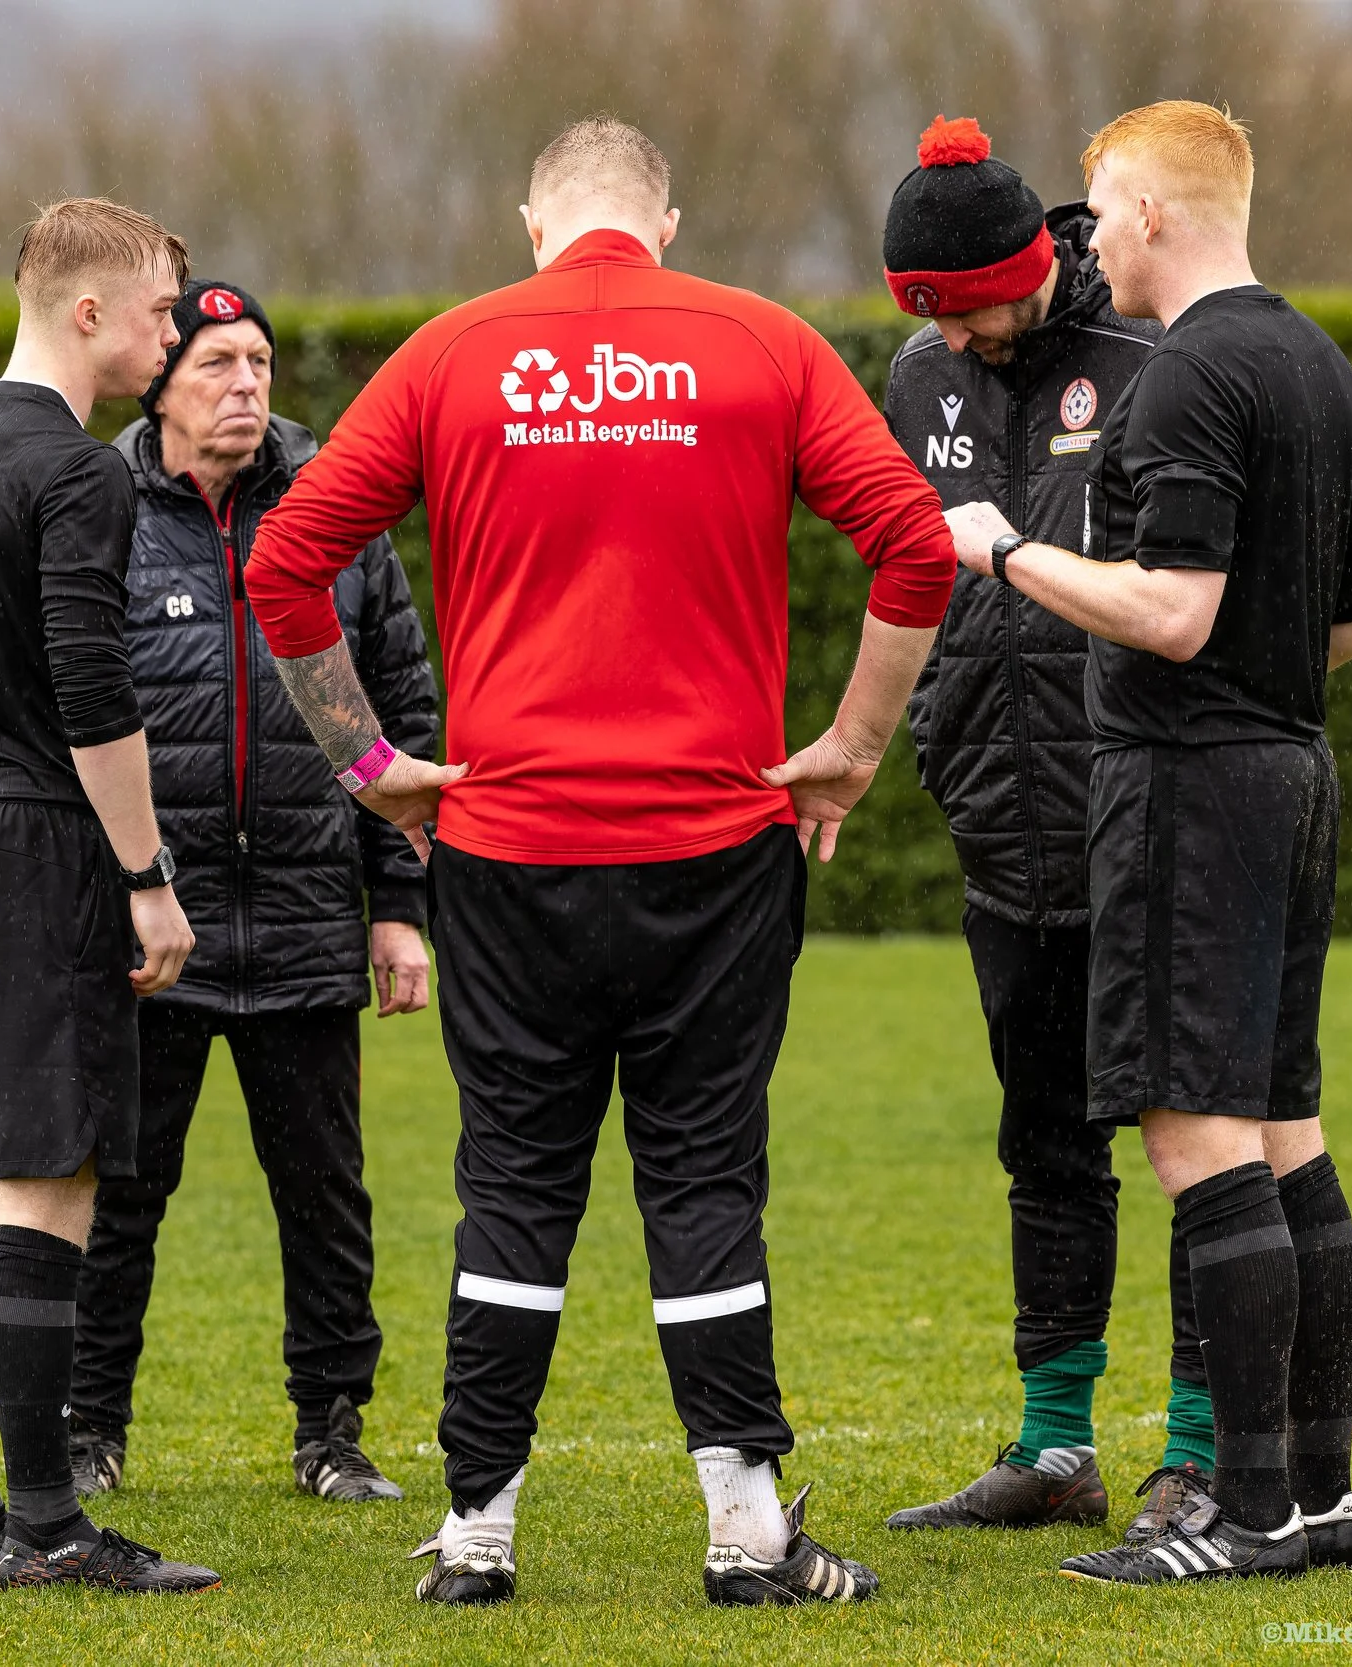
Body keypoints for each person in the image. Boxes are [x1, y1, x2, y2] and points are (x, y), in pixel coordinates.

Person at [246, 117, 957, 1609]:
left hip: (507, 852)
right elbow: (914, 541)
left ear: (533, 224)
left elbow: (283, 561)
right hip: (715, 848)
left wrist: (372, 768)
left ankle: (478, 1529)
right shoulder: (759, 342)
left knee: (512, 1181)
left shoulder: (452, 353)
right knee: (703, 1178)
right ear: (666, 223)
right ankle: (746, 1530)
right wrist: (852, 742)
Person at [934, 101, 1352, 1585]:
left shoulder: (1186, 372)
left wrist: (1007, 548)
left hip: (1189, 785)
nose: (1098, 247)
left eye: (1106, 216)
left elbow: (1173, 612)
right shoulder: (1315, 361)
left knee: (1196, 1136)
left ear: (1150, 211)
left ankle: (1245, 1510)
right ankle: (1319, 1494)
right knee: (1283, 1129)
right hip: (1292, 771)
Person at [0, 198, 218, 1595]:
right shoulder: (81, 473)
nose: (172, 337)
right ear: (88, 312)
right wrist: (145, 875)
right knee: (48, 1180)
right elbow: (95, 690)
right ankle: (47, 1527)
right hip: (36, 854)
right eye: (159, 314)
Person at [65, 277, 439, 1505]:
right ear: (160, 387)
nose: (244, 386)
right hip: (151, 926)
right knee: (118, 1195)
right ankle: (88, 1427)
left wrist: (399, 904)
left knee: (324, 1196)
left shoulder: (335, 507)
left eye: (259, 363)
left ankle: (331, 1430)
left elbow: (401, 705)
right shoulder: (97, 506)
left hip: (305, 914)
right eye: (215, 363)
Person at [870, 117, 1182, 1533]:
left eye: (971, 306)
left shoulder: (1154, 356)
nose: (956, 336)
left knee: (1194, 1137)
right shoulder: (919, 375)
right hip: (1000, 823)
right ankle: (1055, 1449)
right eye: (930, 313)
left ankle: (1201, 1446)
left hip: (1145, 812)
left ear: (1025, 269)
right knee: (1043, 1141)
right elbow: (911, 575)